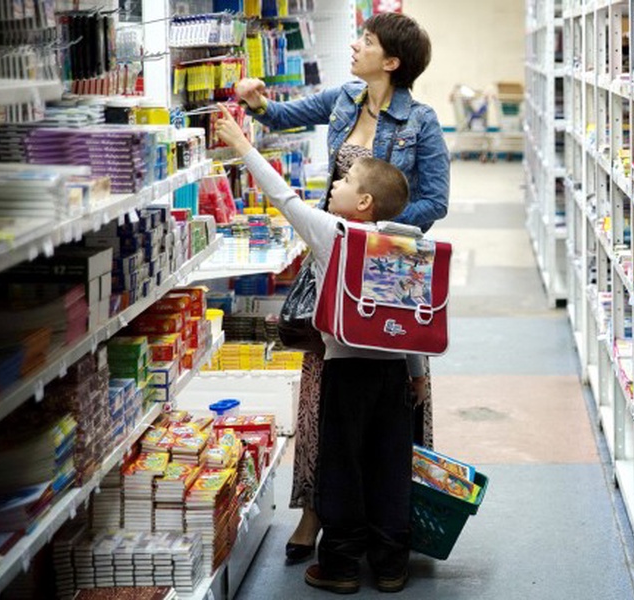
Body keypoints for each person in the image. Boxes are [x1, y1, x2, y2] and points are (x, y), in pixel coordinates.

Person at [233, 11, 449, 564]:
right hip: (331, 264)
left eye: (367, 41)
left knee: (388, 391)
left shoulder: (420, 123)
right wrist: (255, 99)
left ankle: (385, 522)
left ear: (392, 61)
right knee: (323, 389)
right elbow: (281, 115)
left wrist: (374, 235)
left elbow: (436, 201)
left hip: (387, 268)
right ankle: (315, 511)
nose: (356, 46)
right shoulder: (345, 99)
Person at [215, 105, 424, 593]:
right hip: (393, 375)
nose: (336, 183)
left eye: (346, 180)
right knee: (391, 467)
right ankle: (392, 565)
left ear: (364, 201)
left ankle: (341, 566)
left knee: (341, 468)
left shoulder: (336, 235)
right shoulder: (404, 243)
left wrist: (244, 148)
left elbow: (283, 198)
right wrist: (415, 373)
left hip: (346, 373)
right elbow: (411, 317)